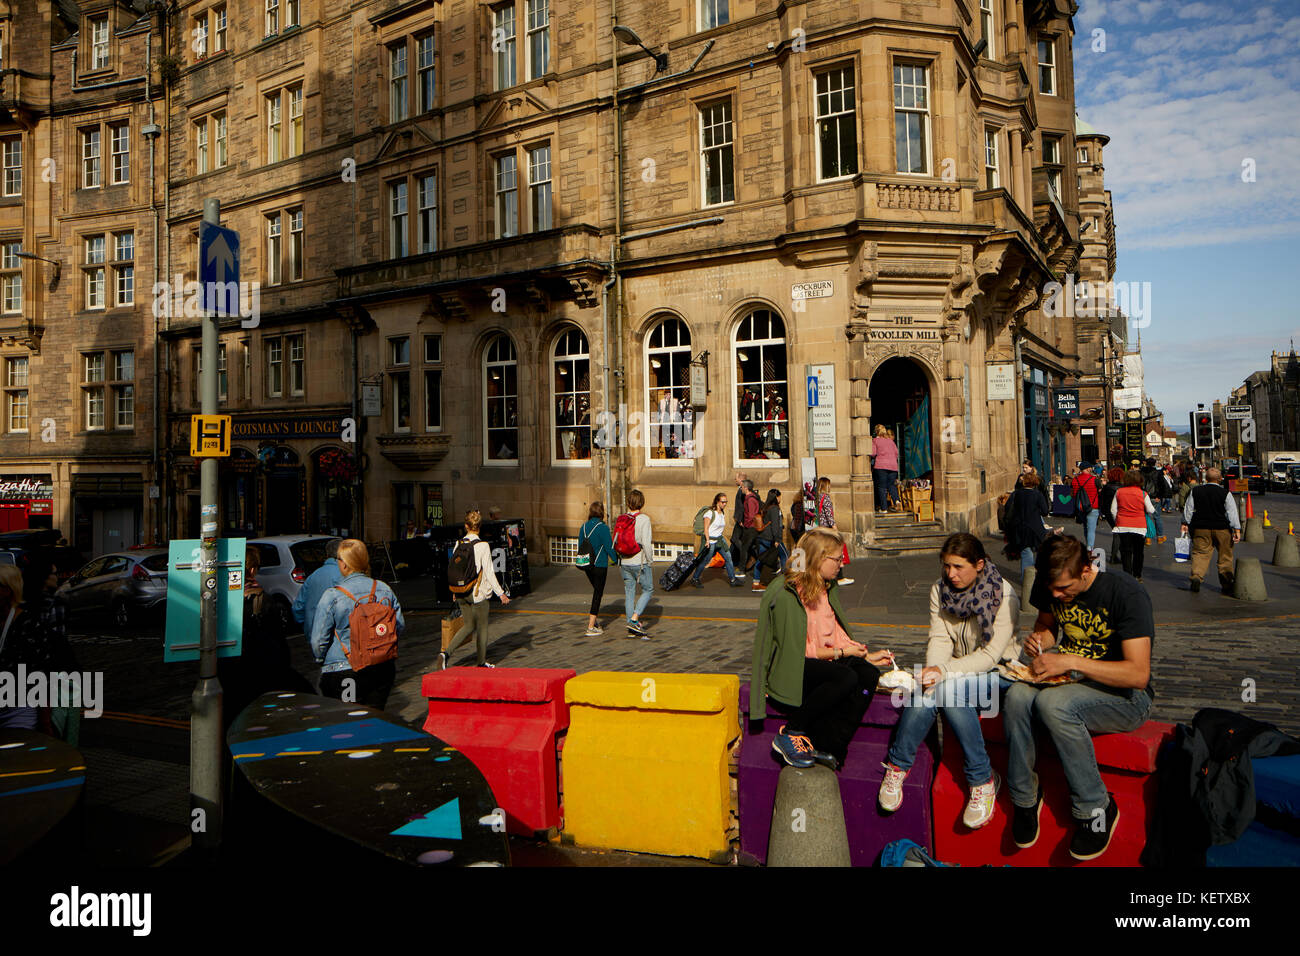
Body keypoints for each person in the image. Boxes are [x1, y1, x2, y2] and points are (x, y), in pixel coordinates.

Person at [1008, 535, 1154, 861]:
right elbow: (1047, 626)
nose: (1058, 596)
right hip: (1071, 679)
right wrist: (1040, 642)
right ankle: (1024, 799)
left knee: (1051, 705)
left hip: (1125, 697)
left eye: (1065, 589)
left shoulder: (1126, 594)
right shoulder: (1051, 583)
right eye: (1053, 590)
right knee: (1016, 695)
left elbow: (1138, 675)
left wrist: (1070, 661)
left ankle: (1096, 808)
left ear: (1087, 569)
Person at [879, 533, 1021, 828]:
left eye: (958, 567)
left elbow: (991, 656)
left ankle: (981, 780)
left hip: (1000, 674)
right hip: (955, 671)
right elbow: (941, 638)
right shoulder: (939, 590)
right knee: (931, 692)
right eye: (946, 566)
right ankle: (897, 767)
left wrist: (944, 672)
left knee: (950, 690)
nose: (950, 574)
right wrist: (933, 671)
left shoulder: (1005, 596)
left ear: (979, 564)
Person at [750, 527, 893, 770]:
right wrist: (757, 702)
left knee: (867, 674)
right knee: (845, 677)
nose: (841, 564)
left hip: (823, 664)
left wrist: (865, 655)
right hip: (794, 667)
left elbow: (835, 632)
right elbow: (794, 650)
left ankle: (830, 746)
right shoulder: (784, 592)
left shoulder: (827, 587)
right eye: (837, 559)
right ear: (818, 558)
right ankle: (792, 730)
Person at [221, 549, 313, 729]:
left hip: (230, 674)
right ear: (253, 570)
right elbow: (278, 646)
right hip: (258, 674)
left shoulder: (223, 600)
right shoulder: (263, 600)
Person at [310, 538, 405, 706]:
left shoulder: (333, 595)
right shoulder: (384, 589)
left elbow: (318, 641)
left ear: (345, 564)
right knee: (375, 716)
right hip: (382, 667)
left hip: (344, 668)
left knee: (347, 722)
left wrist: (321, 659)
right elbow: (399, 626)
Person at [0, 564, 73, 730]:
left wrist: (45, 719)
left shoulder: (28, 625)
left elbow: (41, 673)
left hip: (17, 709)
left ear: (8, 590)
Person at [441, 510, 511, 667]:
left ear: (466, 526)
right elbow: (489, 572)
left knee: (468, 626)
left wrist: (454, 590)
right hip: (477, 593)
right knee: (482, 628)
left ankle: (445, 654)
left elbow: (455, 569)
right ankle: (481, 662)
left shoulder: (459, 543)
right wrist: (501, 594)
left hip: (461, 591)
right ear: (479, 526)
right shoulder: (483, 546)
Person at [1181, 467, 1241, 595]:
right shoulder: (1225, 493)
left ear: (1205, 479)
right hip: (1222, 528)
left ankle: (1197, 576)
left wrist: (1185, 523)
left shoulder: (1196, 491)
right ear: (1220, 479)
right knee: (1225, 556)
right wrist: (1237, 529)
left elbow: (1188, 509)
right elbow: (1232, 513)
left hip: (1201, 527)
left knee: (1200, 554)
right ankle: (1226, 581)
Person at [618, 490, 654, 638]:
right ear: (642, 502)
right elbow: (646, 543)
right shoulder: (644, 519)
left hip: (624, 561)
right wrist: (650, 560)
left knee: (629, 592)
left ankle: (630, 625)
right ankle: (634, 619)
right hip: (639, 562)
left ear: (628, 502)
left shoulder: (622, 518)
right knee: (648, 590)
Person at [578, 502, 617, 635]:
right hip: (600, 564)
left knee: (596, 590)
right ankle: (590, 627)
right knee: (598, 594)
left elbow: (580, 546)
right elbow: (609, 547)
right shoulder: (603, 528)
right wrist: (616, 559)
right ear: (601, 513)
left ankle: (594, 622)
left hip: (587, 565)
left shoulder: (583, 527)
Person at [292, 537, 343, 638]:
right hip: (338, 637)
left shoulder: (313, 576)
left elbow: (297, 608)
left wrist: (308, 625)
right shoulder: (345, 575)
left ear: (327, 554)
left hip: (315, 634)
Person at [1111, 469, 1155, 582]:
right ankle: (1137, 574)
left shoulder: (1119, 492)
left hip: (1123, 526)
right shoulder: (1143, 493)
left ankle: (1127, 574)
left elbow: (1113, 510)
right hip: (1139, 527)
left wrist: (1118, 519)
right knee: (1138, 551)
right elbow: (1151, 510)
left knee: (1126, 551)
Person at [691, 492, 743, 589]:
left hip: (719, 540)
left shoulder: (722, 513)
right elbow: (706, 528)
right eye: (723, 502)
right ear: (717, 502)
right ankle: (695, 578)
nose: (725, 504)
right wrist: (707, 541)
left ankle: (733, 580)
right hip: (710, 540)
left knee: (728, 558)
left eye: (726, 502)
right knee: (705, 561)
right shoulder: (709, 513)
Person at [1004, 472, 1050, 575]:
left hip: (1019, 526)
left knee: (1025, 552)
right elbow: (1045, 511)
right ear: (1035, 482)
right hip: (1035, 527)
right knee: (1042, 550)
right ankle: (1039, 575)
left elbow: (1008, 508)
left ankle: (1027, 578)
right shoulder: (1037, 494)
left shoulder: (1016, 494)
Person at [815, 476, 854, 585]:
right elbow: (829, 516)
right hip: (828, 530)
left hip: (820, 529)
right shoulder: (826, 498)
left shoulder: (816, 498)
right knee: (836, 552)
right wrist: (835, 529)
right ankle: (839, 577)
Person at [751, 489, 787, 592]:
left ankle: (756, 583)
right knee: (785, 555)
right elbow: (776, 525)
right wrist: (777, 539)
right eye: (779, 496)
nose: (780, 499)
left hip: (761, 537)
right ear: (777, 497)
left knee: (761, 559)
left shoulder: (765, 507)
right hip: (771, 538)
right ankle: (785, 581)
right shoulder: (775, 509)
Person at [731, 478, 762, 576]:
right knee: (753, 548)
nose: (741, 489)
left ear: (746, 488)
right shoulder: (749, 498)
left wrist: (746, 524)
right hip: (751, 527)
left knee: (744, 548)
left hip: (751, 528)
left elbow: (751, 515)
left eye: (742, 487)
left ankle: (741, 570)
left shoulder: (751, 499)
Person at [1070, 462, 1101, 552]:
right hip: (1093, 507)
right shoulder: (1095, 479)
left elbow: (1072, 494)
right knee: (1091, 529)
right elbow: (1100, 492)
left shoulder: (1075, 480)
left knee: (1085, 528)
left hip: (1080, 507)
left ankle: (1088, 545)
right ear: (1088, 469)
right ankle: (1089, 548)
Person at [1098, 466, 1125, 566]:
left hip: (1108, 513)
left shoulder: (1106, 487)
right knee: (1118, 533)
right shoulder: (1122, 487)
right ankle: (1114, 557)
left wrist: (1103, 512)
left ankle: (1115, 556)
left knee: (1117, 532)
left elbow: (1101, 501)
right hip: (1120, 512)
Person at [871, 424, 900, 513]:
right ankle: (897, 500)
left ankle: (884, 509)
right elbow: (896, 453)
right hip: (893, 466)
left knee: (881, 487)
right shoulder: (890, 441)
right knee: (891, 485)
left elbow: (873, 453)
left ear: (876, 432)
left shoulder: (875, 440)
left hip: (881, 466)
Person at [1140, 458, 1166, 543]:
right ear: (1154, 464)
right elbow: (1162, 485)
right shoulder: (1158, 473)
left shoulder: (1141, 473)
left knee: (1145, 517)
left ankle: (1148, 537)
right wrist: (1160, 496)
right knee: (1157, 517)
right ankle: (1160, 537)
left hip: (1143, 496)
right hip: (1155, 497)